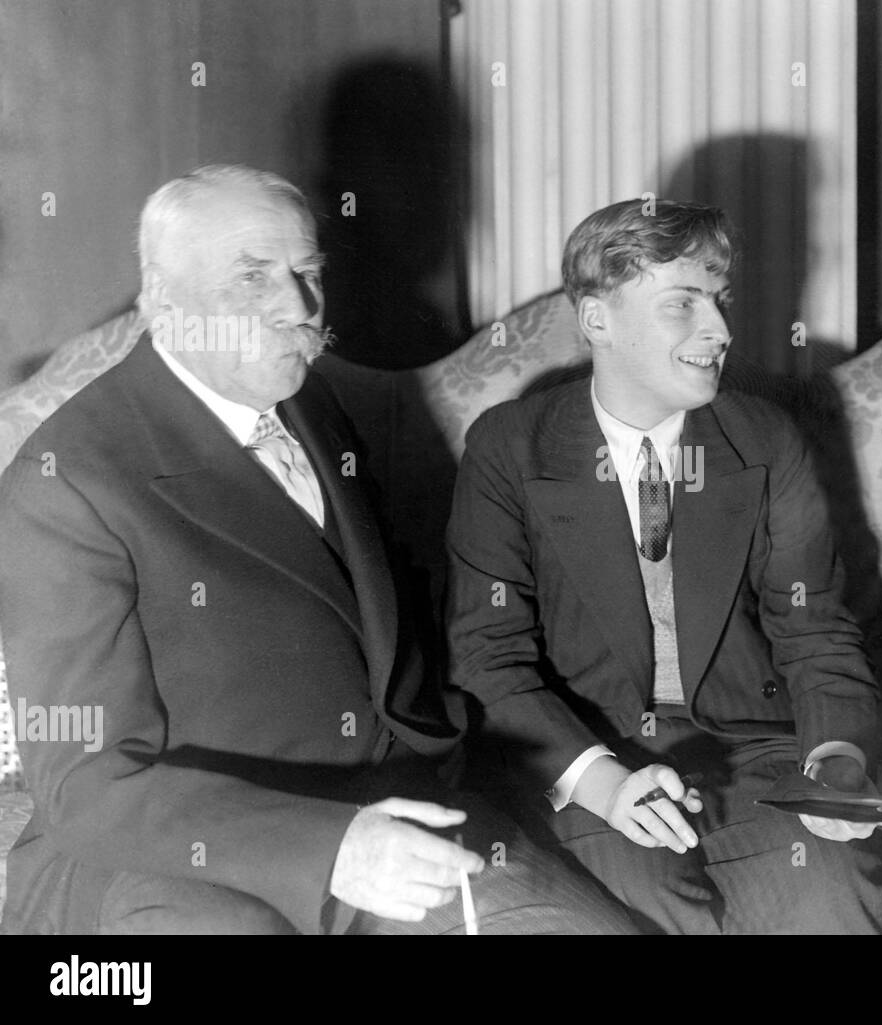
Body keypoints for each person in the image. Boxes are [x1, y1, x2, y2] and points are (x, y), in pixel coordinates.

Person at [0, 164, 631, 935]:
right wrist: (335, 845)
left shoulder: (306, 398)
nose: (298, 307)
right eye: (253, 278)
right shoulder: (67, 481)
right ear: (164, 303)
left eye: (307, 273)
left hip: (391, 810)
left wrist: (543, 765)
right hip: (170, 862)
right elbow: (87, 786)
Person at [444, 198, 882, 934]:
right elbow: (485, 656)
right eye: (681, 304)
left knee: (836, 889)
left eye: (719, 301)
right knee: (652, 905)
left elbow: (814, 627)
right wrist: (601, 781)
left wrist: (837, 753)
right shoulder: (511, 447)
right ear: (598, 320)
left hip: (756, 752)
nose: (719, 330)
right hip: (591, 754)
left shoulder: (764, 437)